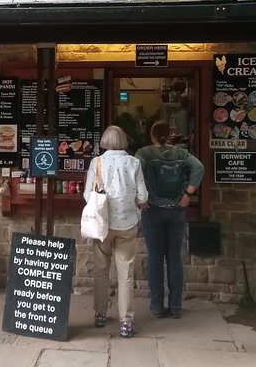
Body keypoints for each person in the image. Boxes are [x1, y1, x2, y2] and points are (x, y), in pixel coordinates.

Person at [83, 125, 148, 338]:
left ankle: (100, 314)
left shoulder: (97, 162)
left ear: (104, 141)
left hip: (102, 225)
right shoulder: (134, 163)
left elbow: (87, 195)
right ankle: (126, 322)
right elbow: (143, 197)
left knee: (101, 270)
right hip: (127, 224)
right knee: (126, 273)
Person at [137, 120, 204, 318]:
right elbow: (199, 167)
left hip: (152, 210)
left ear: (152, 136)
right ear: (169, 135)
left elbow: (134, 171)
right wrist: (188, 193)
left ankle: (157, 307)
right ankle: (176, 307)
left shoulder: (144, 153)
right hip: (176, 210)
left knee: (155, 258)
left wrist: (141, 197)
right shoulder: (181, 153)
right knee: (175, 258)